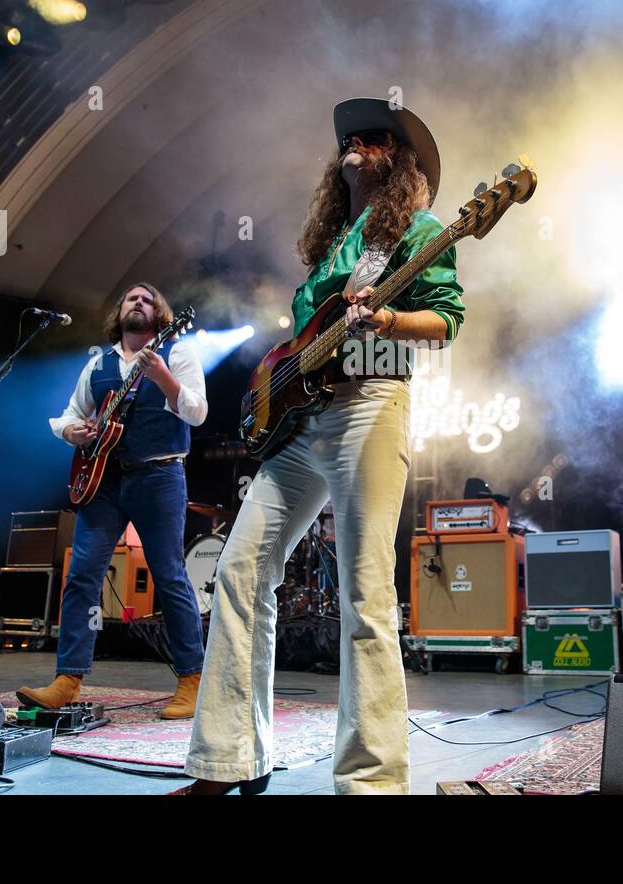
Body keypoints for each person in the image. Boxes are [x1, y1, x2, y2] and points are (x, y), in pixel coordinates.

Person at [179, 98, 464, 794]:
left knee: (366, 593)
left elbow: (448, 319)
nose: (356, 143)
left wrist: (390, 315)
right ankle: (229, 761)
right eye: (350, 138)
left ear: (400, 160)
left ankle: (371, 783)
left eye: (374, 138)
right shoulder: (337, 243)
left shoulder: (422, 230)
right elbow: (303, 344)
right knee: (241, 572)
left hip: (370, 403)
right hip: (301, 423)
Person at [18, 283, 209, 719]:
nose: (138, 303)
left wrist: (163, 377)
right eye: (130, 298)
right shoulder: (98, 365)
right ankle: (67, 680)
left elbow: (197, 412)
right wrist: (72, 432)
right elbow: (68, 414)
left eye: (147, 299)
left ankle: (192, 680)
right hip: (103, 481)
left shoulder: (177, 353)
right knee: (82, 575)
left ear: (160, 313)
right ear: (119, 312)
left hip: (159, 475)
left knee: (169, 574)